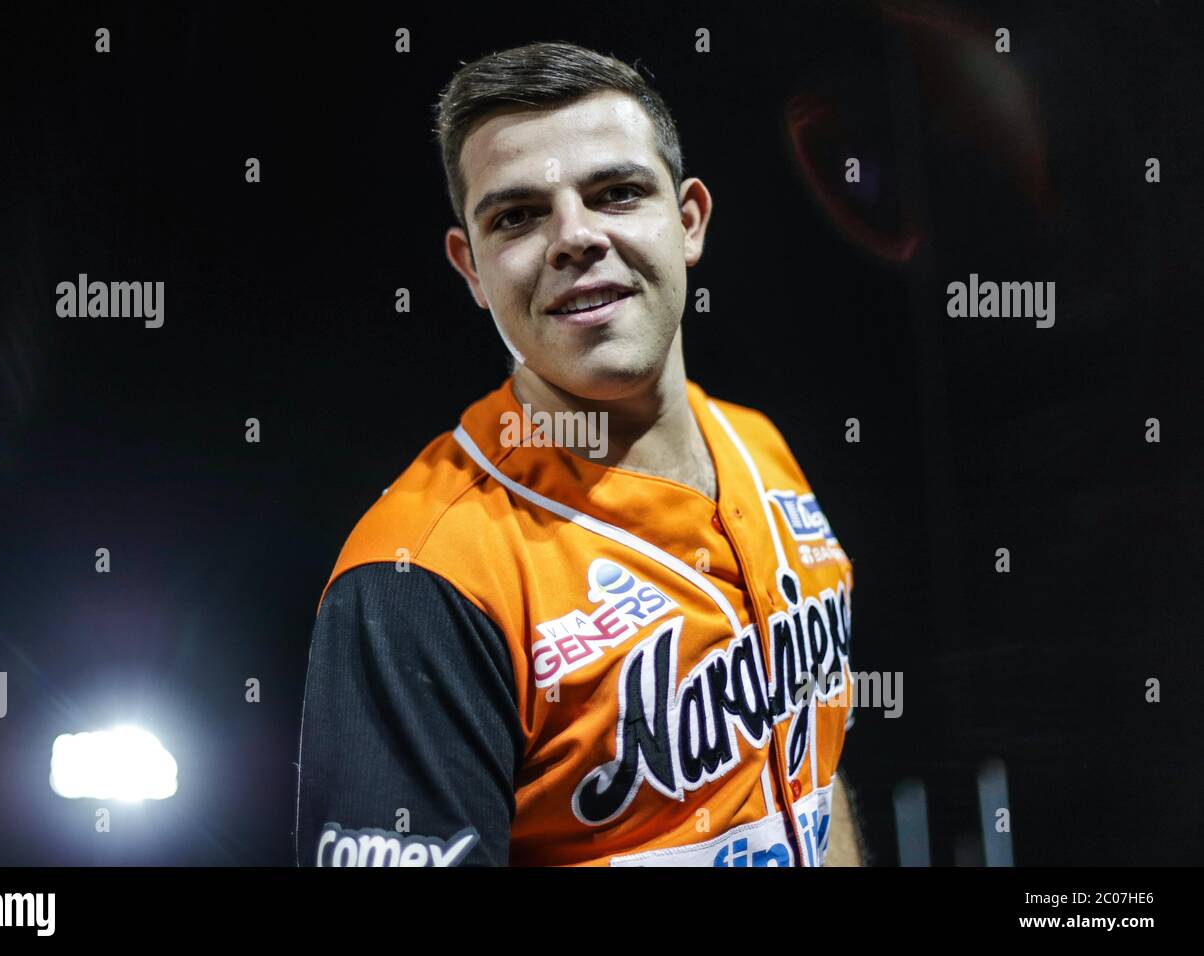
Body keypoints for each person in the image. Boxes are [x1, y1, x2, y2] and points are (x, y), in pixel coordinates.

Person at [295, 40, 864, 867]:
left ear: (689, 221)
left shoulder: (759, 443)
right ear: (471, 270)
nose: (575, 238)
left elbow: (816, 763)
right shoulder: (416, 578)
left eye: (617, 193)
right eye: (518, 216)